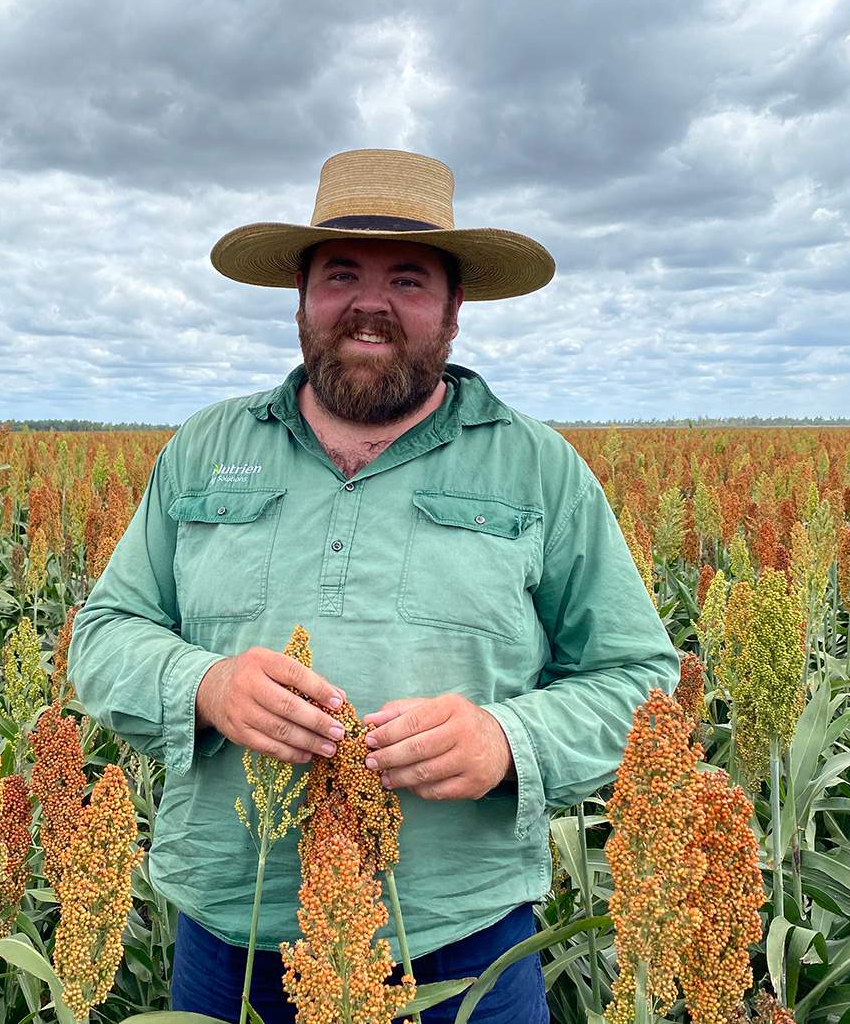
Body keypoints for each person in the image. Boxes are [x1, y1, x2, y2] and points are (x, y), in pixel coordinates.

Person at [70, 148, 678, 1022]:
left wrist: (508, 739)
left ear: (455, 309)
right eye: (343, 273)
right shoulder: (204, 449)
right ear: (302, 296)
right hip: (234, 936)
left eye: (408, 278)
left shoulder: (539, 469)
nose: (371, 302)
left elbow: (641, 683)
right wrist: (204, 683)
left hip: (462, 943)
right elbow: (104, 632)